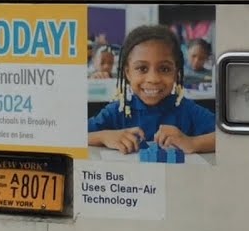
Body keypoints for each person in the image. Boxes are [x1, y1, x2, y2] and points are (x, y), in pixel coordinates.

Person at [88, 25, 216, 155]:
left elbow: (227, 137)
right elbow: (73, 135)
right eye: (142, 68)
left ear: (176, 73)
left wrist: (192, 142)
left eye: (164, 69)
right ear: (128, 73)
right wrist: (103, 137)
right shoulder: (116, 111)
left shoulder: (187, 110)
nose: (153, 79)